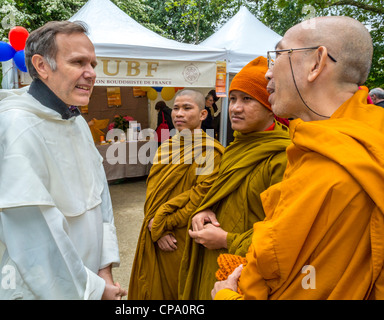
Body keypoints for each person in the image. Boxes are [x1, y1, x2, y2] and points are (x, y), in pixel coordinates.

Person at [212, 16, 384, 300]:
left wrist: (226, 296)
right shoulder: (345, 140)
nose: (267, 74)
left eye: (278, 55)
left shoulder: (334, 172)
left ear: (316, 63)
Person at [0, 21, 126, 300]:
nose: (91, 74)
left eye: (93, 64)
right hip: (41, 288)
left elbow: (101, 198)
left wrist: (104, 268)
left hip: (89, 279)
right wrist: (94, 290)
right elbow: (35, 235)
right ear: (41, 66)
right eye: (78, 62)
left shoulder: (77, 122)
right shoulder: (15, 126)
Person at [178, 56, 291, 300]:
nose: (235, 108)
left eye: (247, 99)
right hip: (214, 261)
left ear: (270, 104)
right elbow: (221, 194)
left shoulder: (284, 156)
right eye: (232, 99)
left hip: (247, 271)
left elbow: (284, 233)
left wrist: (227, 240)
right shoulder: (235, 148)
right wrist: (203, 210)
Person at [128, 89, 225, 300]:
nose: (178, 113)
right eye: (176, 108)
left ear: (203, 115)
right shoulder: (168, 146)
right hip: (157, 230)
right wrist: (158, 231)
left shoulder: (209, 151)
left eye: (187, 108)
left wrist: (163, 225)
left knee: (177, 291)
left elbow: (198, 200)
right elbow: (153, 192)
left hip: (182, 236)